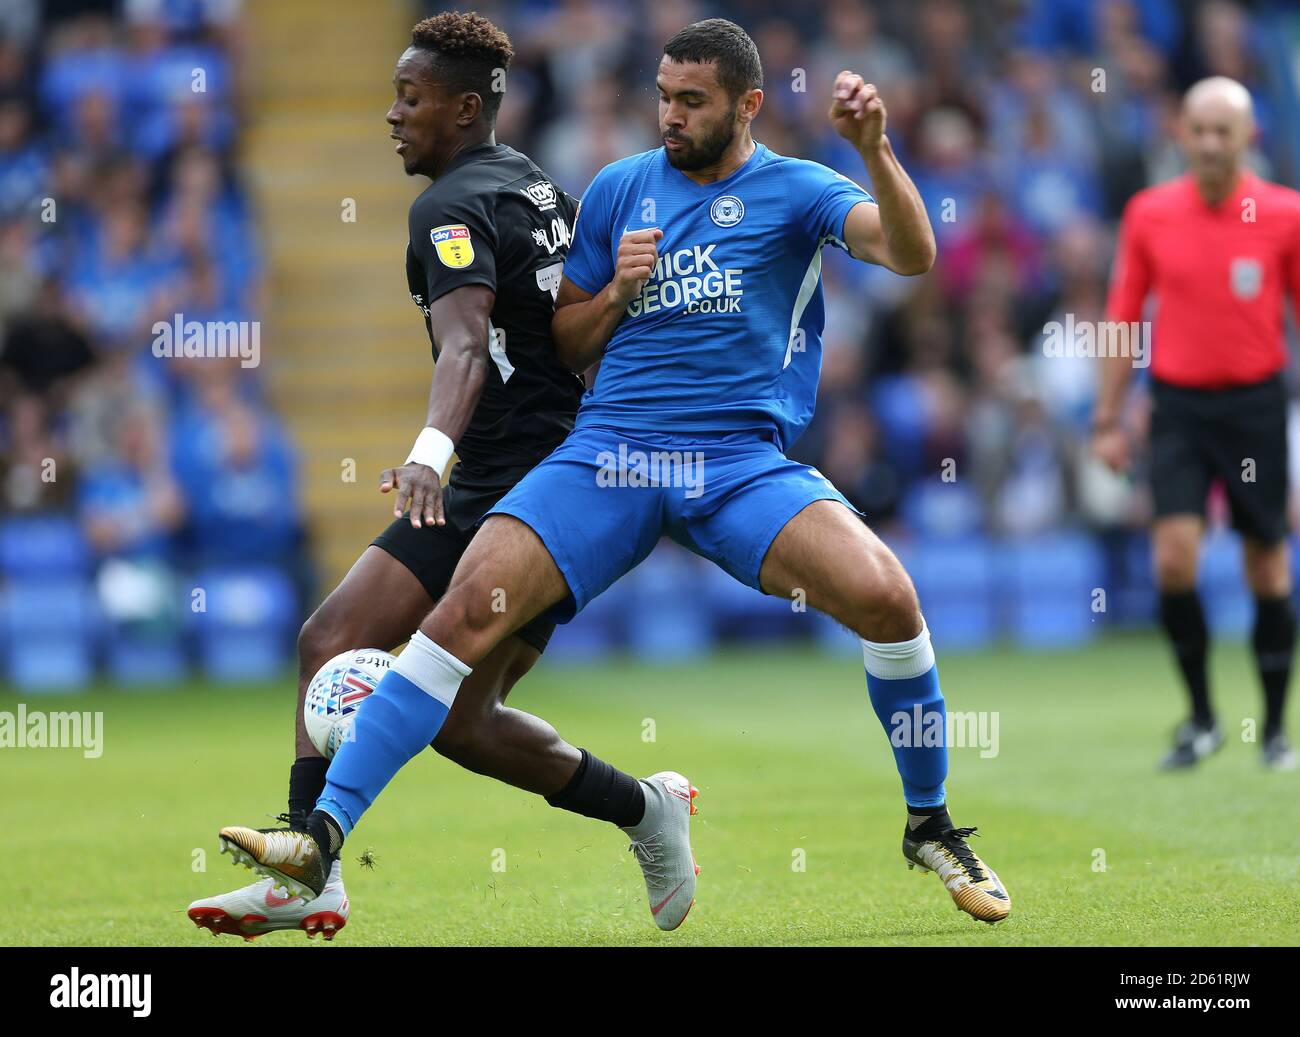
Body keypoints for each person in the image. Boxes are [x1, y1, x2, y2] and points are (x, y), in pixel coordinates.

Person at [220, 17, 1011, 929]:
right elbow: (566, 339)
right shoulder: (617, 189)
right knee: (459, 617)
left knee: (888, 598)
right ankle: (321, 836)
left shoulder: (797, 190)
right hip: (610, 452)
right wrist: (619, 295)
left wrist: (875, 149)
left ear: (748, 105)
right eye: (663, 97)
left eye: (692, 102)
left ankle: (931, 822)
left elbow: (911, 253)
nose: (668, 117)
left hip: (737, 463)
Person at [190, 11, 678, 940]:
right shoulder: (538, 186)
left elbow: (463, 346)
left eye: (409, 98)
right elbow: (547, 343)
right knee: (327, 637)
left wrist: (428, 452)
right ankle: (312, 872)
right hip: (483, 479)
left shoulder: (448, 205)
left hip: (539, 496)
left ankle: (646, 809)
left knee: (463, 721)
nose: (391, 115)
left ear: (462, 108)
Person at [1093, 76, 1300, 772]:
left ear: (1249, 138)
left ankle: (1274, 729)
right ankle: (1204, 718)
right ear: (1180, 133)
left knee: (1265, 563)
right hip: (1178, 406)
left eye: (1224, 131)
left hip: (1255, 406)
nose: (1210, 143)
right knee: (1173, 558)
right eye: (1199, 129)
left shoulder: (1282, 214)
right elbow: (1123, 317)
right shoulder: (1150, 214)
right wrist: (1107, 418)